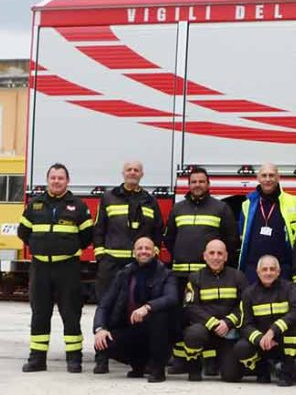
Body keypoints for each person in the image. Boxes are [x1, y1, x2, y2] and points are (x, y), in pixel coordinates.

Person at [17, 163, 94, 373]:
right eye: (53, 178)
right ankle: (37, 359)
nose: (56, 181)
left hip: (67, 268)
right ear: (47, 180)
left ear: (67, 181)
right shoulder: (35, 205)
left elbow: (87, 237)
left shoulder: (78, 206)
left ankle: (74, 359)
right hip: (40, 267)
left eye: (61, 178)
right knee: (39, 313)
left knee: (71, 313)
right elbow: (23, 232)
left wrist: (67, 248)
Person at [163, 167, 239, 374]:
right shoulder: (178, 208)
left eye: (201, 181)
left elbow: (231, 241)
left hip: (207, 276)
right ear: (188, 185)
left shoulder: (221, 208)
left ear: (208, 184)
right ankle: (181, 360)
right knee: (180, 317)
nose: (197, 185)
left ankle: (209, 360)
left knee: (206, 315)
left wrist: (215, 264)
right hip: (180, 273)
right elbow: (169, 239)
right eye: (194, 181)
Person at [92, 160, 164, 374]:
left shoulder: (150, 201)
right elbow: (99, 229)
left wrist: (153, 257)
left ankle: (138, 356)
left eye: (136, 170)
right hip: (112, 264)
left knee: (136, 309)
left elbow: (158, 232)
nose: (132, 173)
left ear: (142, 174)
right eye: (129, 170)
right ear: (122, 173)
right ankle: (101, 357)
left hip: (138, 266)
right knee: (107, 308)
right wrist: (101, 256)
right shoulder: (108, 198)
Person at [92, 236, 178, 382]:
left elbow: (172, 298)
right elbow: (104, 305)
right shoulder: (124, 274)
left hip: (159, 333)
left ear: (155, 252)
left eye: (147, 248)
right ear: (134, 252)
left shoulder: (165, 273)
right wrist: (99, 329)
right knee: (103, 344)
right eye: (140, 248)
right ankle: (139, 365)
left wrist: (148, 307)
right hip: (132, 328)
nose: (143, 251)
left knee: (159, 316)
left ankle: (157, 369)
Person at [231, 255, 296, 386]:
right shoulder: (249, 293)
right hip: (262, 344)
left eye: (272, 269)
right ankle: (262, 370)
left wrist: (274, 329)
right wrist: (260, 338)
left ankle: (286, 373)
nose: (268, 273)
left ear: (278, 272)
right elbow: (244, 325)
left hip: (284, 341)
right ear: (258, 272)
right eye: (264, 269)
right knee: (241, 348)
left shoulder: (289, 288)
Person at [182, 239, 248, 382]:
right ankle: (194, 368)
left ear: (226, 256)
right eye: (212, 253)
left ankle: (220, 363)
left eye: (220, 253)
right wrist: (213, 323)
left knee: (232, 376)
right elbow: (191, 306)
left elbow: (245, 306)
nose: (216, 257)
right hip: (205, 329)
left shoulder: (238, 276)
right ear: (205, 256)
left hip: (229, 331)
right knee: (193, 333)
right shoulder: (195, 277)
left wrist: (228, 322)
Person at [237, 163, 296, 285]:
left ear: (278, 177)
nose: (268, 179)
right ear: (258, 178)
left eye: (271, 175)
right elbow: (241, 235)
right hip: (254, 269)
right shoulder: (247, 204)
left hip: (284, 269)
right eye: (264, 176)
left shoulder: (294, 203)